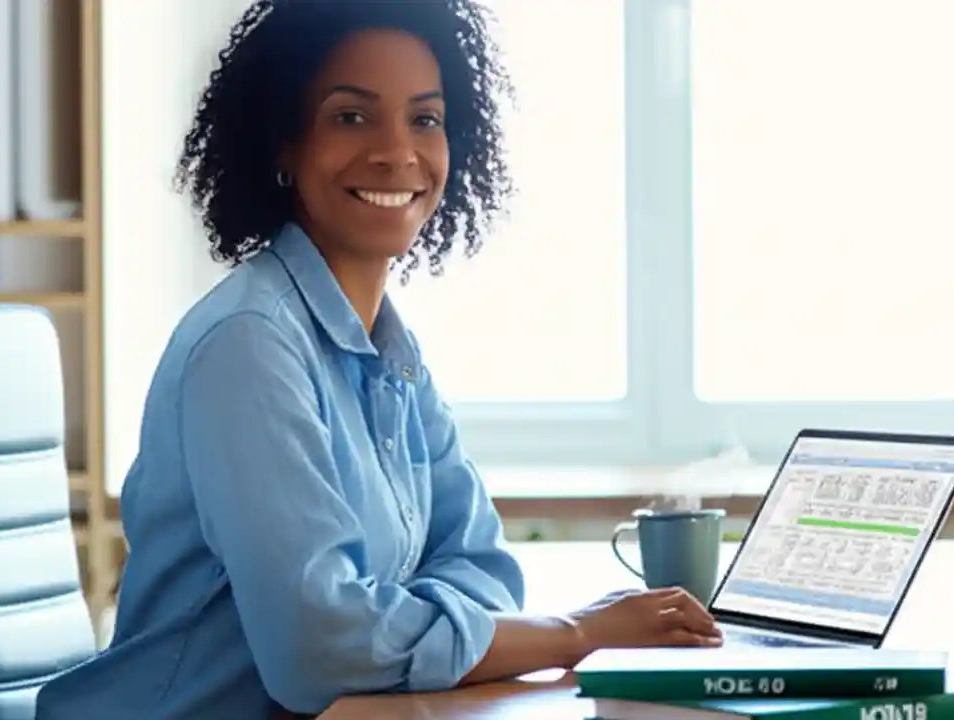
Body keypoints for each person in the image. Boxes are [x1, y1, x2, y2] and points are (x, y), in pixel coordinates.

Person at [36, 0, 722, 717]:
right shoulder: (249, 345)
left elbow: (482, 569)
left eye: (424, 118)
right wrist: (574, 633)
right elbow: (320, 654)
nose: (398, 152)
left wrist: (386, 626)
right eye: (351, 117)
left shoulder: (386, 350)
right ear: (282, 143)